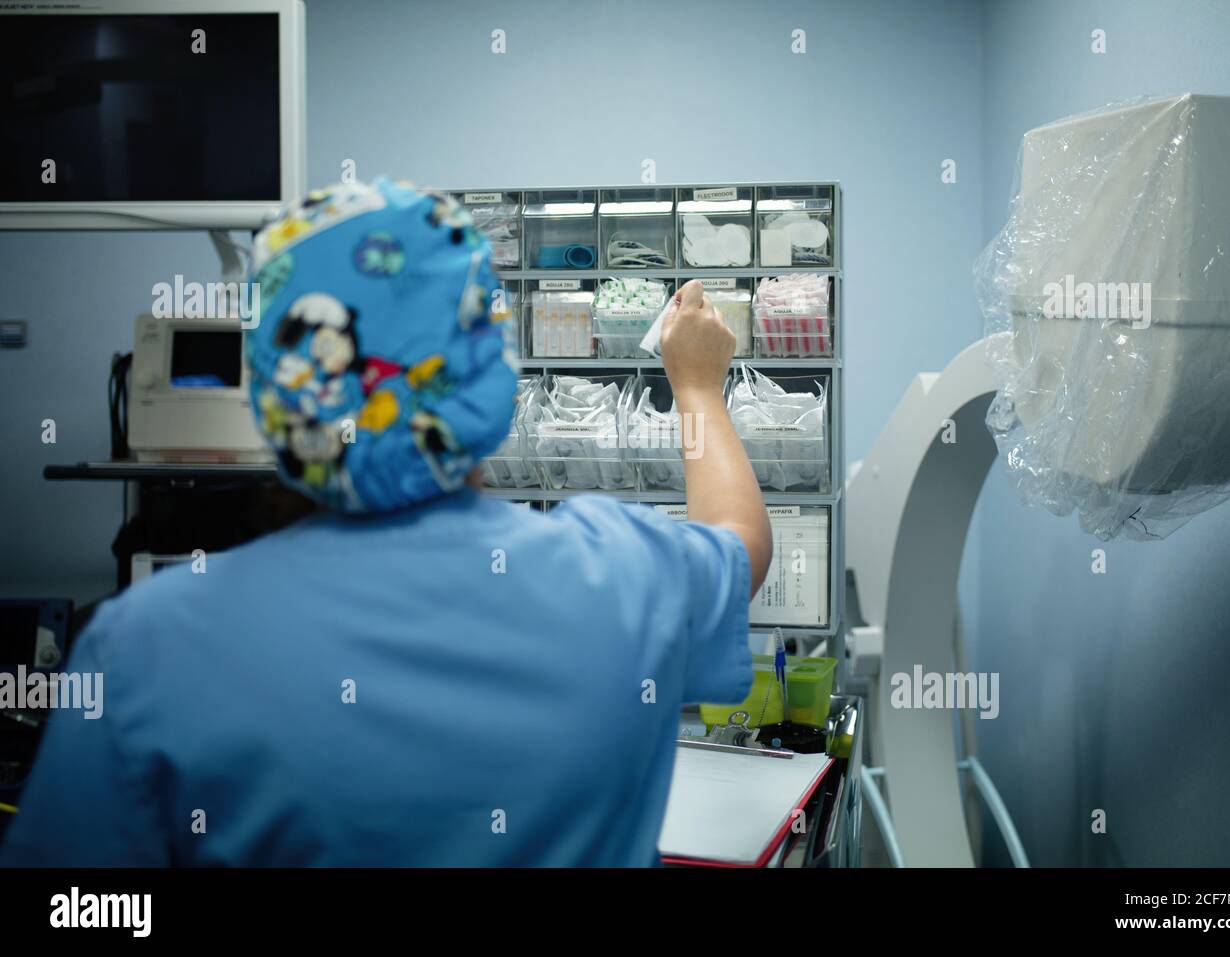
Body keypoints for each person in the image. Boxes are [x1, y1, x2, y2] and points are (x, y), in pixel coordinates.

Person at [0, 179, 772, 866]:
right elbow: (741, 544)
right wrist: (698, 387)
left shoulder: (143, 647)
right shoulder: (622, 574)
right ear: (488, 374)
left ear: (275, 391)